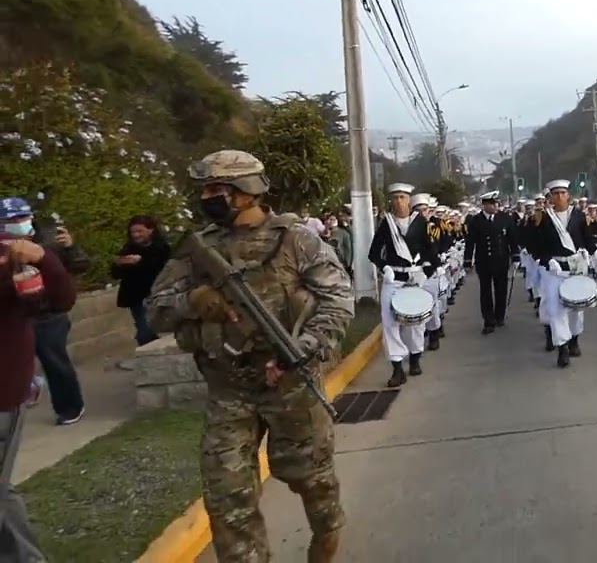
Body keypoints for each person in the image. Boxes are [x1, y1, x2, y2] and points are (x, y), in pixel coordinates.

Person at [146, 150, 352, 562]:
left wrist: (303, 350)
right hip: (229, 389)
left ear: (246, 192)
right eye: (205, 189)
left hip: (291, 385)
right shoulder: (199, 249)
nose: (208, 197)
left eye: (217, 189)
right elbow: (155, 311)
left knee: (311, 478)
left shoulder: (296, 239)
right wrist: (193, 300)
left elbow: (337, 300)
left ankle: (327, 531)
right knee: (227, 495)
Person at [1, 198, 77, 563]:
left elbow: (60, 299)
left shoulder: (21, 259)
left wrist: (45, 259)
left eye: (21, 217)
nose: (17, 223)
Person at [7, 204, 90, 426]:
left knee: (55, 361)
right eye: (12, 219)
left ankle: (70, 407)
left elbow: (81, 266)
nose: (19, 223)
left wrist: (71, 248)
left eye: (23, 217)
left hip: (49, 317)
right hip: (17, 316)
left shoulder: (50, 241)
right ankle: (29, 388)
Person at [369, 183, 441, 385]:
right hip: (394, 279)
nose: (398, 201)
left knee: (415, 323)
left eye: (402, 197)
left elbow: (432, 254)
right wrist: (385, 268)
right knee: (389, 322)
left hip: (415, 277)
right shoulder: (387, 223)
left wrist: (425, 273)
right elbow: (373, 253)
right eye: (395, 197)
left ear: (409, 200)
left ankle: (415, 359)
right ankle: (397, 368)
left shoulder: (420, 223)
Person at [529, 179, 597, 367]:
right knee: (555, 309)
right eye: (556, 194)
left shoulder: (579, 216)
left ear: (569, 195)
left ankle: (574, 339)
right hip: (554, 269)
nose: (560, 197)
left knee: (576, 307)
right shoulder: (544, 218)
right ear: (550, 197)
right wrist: (547, 260)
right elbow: (537, 245)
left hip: (575, 267)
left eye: (563, 193)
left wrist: (593, 253)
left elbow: (587, 239)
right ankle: (562, 347)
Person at [109, 215, 171, 349]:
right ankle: (150, 352)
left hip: (156, 293)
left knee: (152, 328)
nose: (136, 235)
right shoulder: (128, 249)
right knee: (144, 329)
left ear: (150, 230)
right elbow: (115, 274)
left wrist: (140, 262)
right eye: (133, 232)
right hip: (136, 297)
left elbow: (163, 269)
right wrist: (121, 264)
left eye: (140, 231)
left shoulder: (161, 248)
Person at [463, 191, 517, 335]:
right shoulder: (476, 220)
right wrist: (467, 260)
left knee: (501, 290)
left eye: (496, 203)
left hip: (501, 259)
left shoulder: (505, 218)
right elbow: (470, 242)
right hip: (484, 261)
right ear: (485, 205)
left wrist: (516, 255)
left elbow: (512, 238)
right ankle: (488, 320)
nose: (495, 206)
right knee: (485, 292)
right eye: (492, 204)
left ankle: (499, 316)